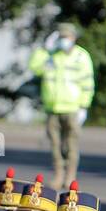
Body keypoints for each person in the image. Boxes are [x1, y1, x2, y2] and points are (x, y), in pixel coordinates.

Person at [28, 23, 95, 191]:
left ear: (73, 38)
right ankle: (58, 175)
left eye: (67, 37)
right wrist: (44, 49)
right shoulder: (51, 55)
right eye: (62, 37)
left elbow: (87, 83)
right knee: (55, 145)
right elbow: (34, 68)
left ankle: (70, 176)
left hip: (73, 108)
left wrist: (84, 107)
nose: (64, 40)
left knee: (70, 144)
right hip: (53, 108)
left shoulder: (81, 56)